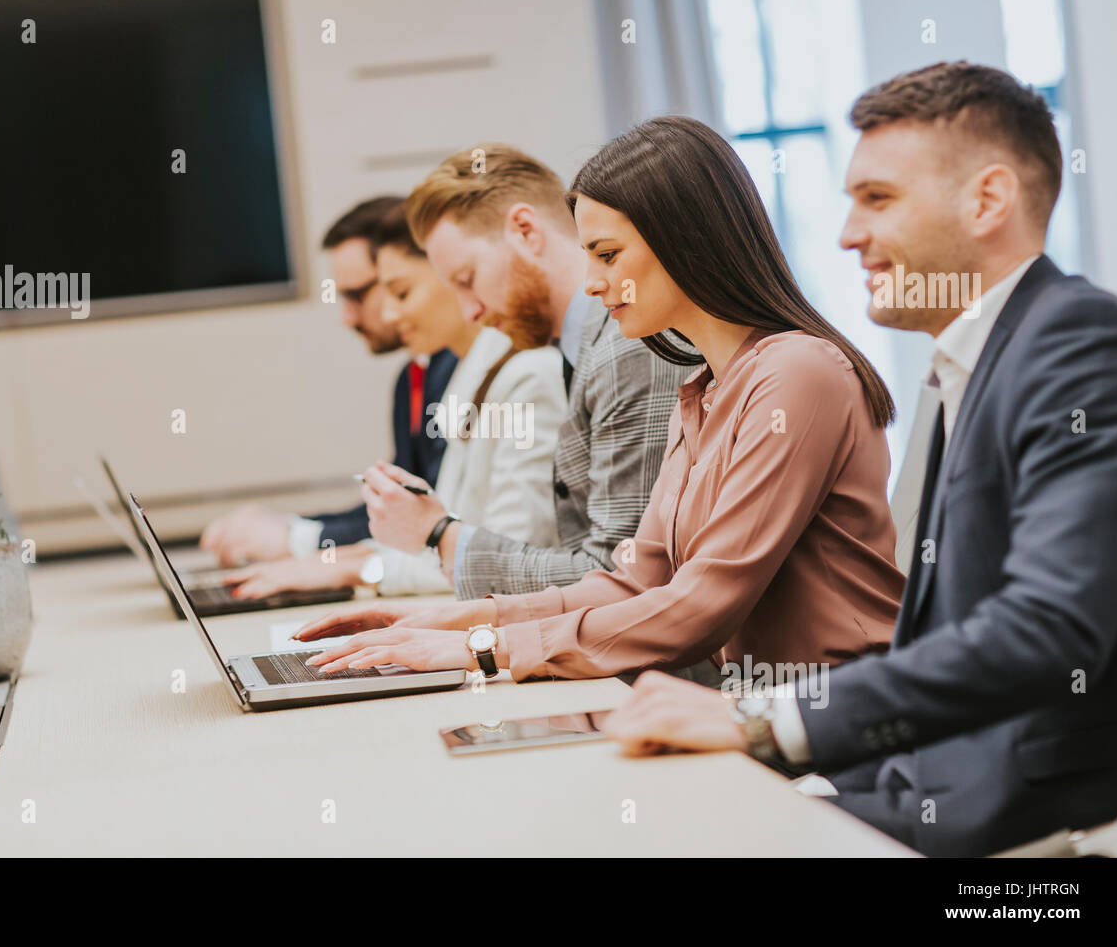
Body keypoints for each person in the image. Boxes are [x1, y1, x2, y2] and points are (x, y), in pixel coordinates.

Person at [601, 62, 1117, 858]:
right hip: (925, 790)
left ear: (987, 200)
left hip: (1031, 836)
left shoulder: (1075, 341)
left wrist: (763, 721)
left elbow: (1046, 629)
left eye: (877, 199)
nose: (848, 233)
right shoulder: (982, 360)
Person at [299, 116, 904, 684]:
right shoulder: (702, 389)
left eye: (608, 255)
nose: (590, 282)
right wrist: (460, 621)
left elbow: (700, 605)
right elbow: (639, 581)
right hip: (761, 710)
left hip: (836, 724)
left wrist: (481, 649)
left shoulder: (795, 373)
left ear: (686, 242)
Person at [227, 202, 565, 598]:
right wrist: (353, 562)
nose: (388, 313)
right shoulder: (465, 377)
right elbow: (449, 535)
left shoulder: (526, 373)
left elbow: (501, 554)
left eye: (400, 292)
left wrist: (361, 568)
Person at [199, 196, 457, 567]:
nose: (348, 318)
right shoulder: (412, 377)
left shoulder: (460, 368)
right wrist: (294, 527)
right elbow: (398, 507)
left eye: (357, 295)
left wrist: (299, 540)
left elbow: (438, 515)